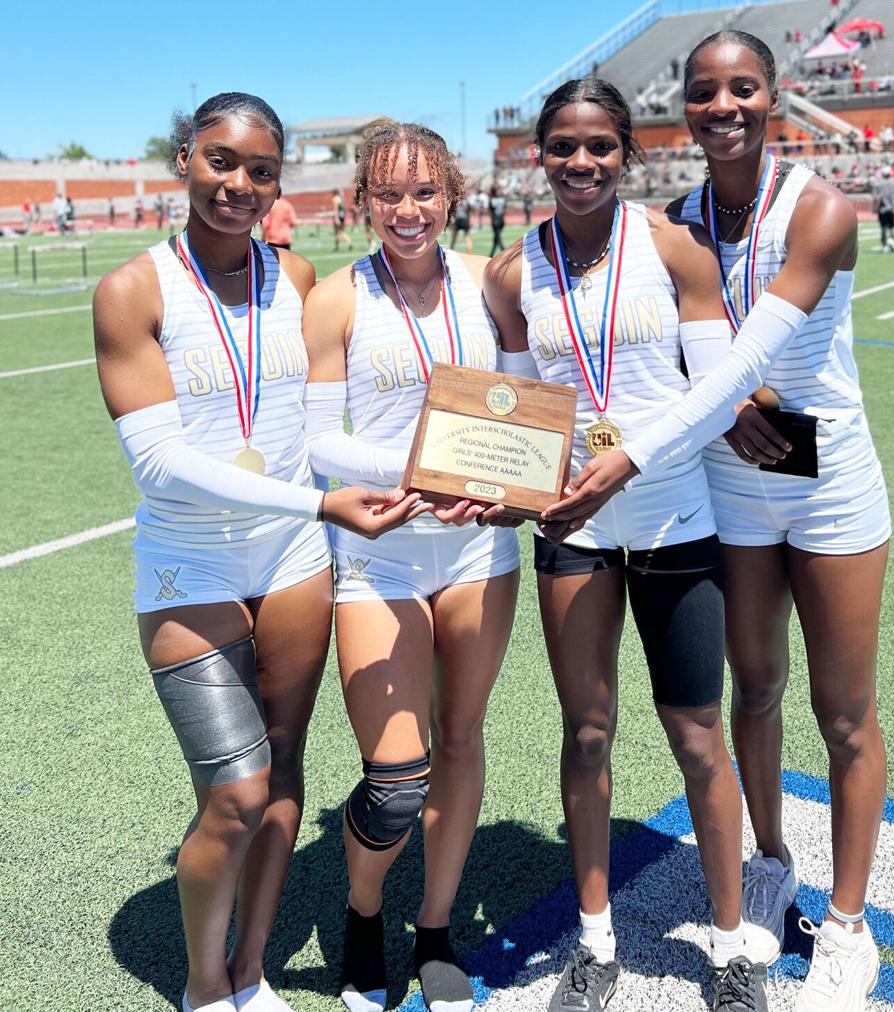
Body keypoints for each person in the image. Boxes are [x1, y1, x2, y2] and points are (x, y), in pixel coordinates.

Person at [92, 92, 427, 1012]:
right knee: (236, 792)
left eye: (261, 170)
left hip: (292, 560)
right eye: (220, 161)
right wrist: (322, 502)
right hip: (189, 565)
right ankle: (205, 987)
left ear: (280, 181)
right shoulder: (132, 290)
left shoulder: (299, 275)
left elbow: (318, 425)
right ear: (186, 160)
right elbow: (162, 467)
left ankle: (251, 970)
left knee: (284, 769)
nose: (238, 184)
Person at [485, 77, 766, 1012]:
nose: (580, 162)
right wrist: (519, 493)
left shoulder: (673, 245)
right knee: (588, 732)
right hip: (575, 528)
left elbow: (717, 387)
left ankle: (730, 950)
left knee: (696, 735)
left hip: (678, 519)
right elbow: (522, 412)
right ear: (540, 153)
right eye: (562, 145)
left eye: (600, 146)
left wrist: (628, 463)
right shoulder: (510, 269)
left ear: (627, 153)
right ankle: (596, 944)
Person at [636, 31, 887, 1012]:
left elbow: (744, 359)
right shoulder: (673, 223)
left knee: (844, 710)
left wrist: (718, 406)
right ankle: (774, 861)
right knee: (756, 685)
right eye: (705, 91)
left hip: (828, 477)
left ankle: (853, 926)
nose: (724, 104)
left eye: (743, 87)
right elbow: (663, 354)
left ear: (774, 98)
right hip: (730, 481)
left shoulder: (819, 207)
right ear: (685, 107)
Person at [303, 120, 522, 1012]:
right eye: (387, 193)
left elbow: (521, 410)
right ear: (362, 200)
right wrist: (408, 473)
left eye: (424, 191)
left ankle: (434, 930)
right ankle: (363, 914)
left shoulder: (487, 283)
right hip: (380, 552)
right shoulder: (338, 298)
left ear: (452, 199)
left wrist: (508, 483)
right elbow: (317, 438)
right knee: (397, 773)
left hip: (478, 546)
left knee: (462, 739)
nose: (407, 210)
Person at [871, 165, 894, 252]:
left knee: (883, 226)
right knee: (892, 226)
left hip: (882, 208)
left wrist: (874, 208)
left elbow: (876, 198)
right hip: (892, 208)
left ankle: (884, 244)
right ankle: (892, 241)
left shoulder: (878, 184)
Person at [489, 185, 507, 255]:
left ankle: (504, 252)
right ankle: (491, 254)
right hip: (498, 221)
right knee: (497, 238)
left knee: (497, 238)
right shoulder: (500, 199)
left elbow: (491, 210)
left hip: (498, 221)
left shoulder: (493, 200)